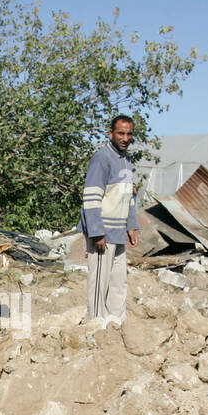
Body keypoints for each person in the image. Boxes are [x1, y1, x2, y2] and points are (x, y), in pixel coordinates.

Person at [79, 115, 140, 323]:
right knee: (99, 282)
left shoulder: (126, 160)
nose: (125, 138)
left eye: (129, 134)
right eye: (121, 133)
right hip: (103, 232)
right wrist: (97, 232)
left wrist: (131, 225)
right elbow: (91, 197)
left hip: (119, 232)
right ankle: (97, 324)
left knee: (118, 281)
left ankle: (116, 322)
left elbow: (128, 196)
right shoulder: (102, 158)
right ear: (111, 133)